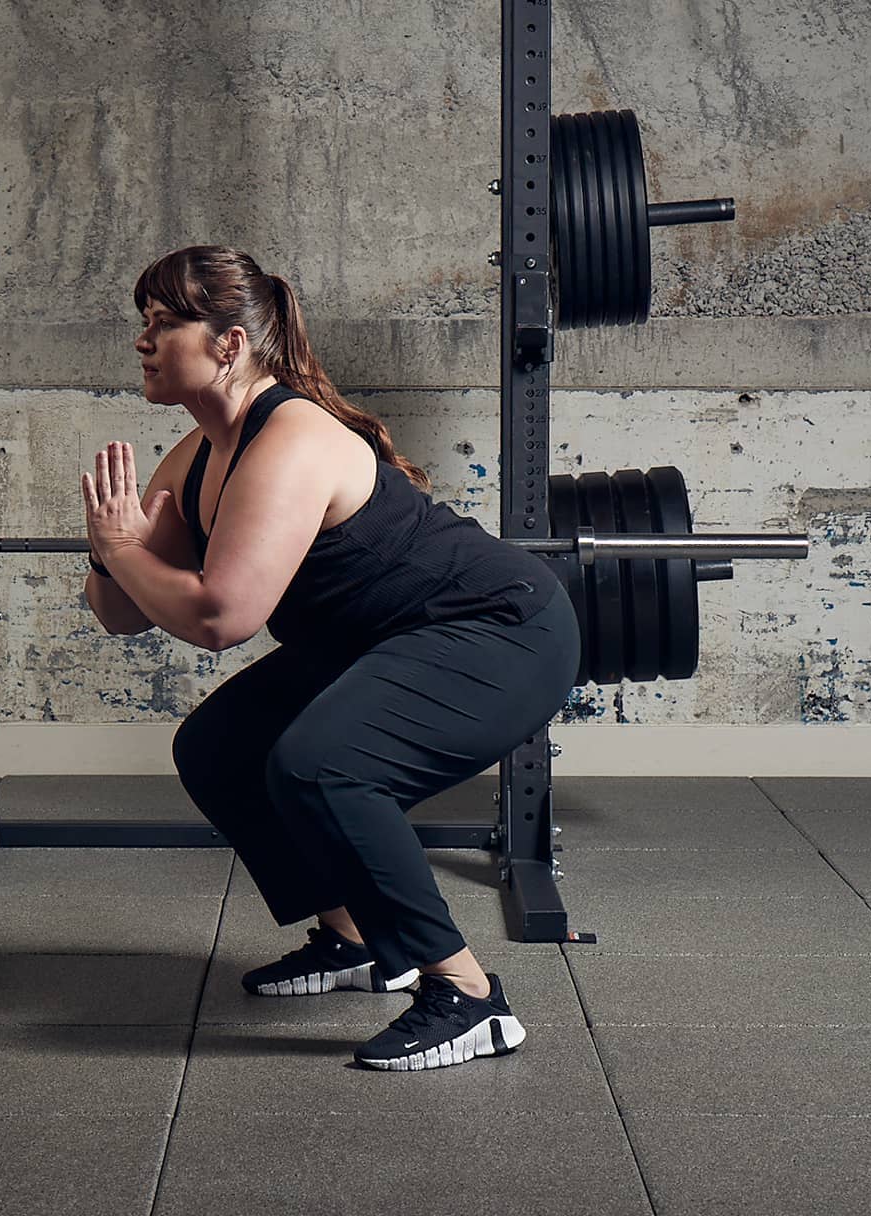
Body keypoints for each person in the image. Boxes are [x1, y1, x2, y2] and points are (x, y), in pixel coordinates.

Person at [79, 245, 579, 1071]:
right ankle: (352, 940)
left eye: (165, 324)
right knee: (219, 749)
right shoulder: (196, 455)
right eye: (145, 324)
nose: (144, 341)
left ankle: (469, 997)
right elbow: (121, 615)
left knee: (322, 767)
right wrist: (112, 552)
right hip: (383, 640)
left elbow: (220, 618)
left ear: (230, 344)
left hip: (500, 630)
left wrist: (128, 550)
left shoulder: (293, 439)